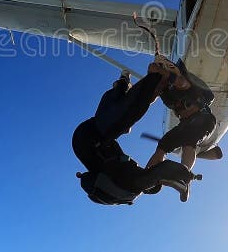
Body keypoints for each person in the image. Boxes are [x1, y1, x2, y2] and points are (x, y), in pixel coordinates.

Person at [72, 60, 195, 205]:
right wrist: (125, 79)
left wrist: (184, 177)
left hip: (90, 139)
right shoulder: (128, 181)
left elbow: (161, 172)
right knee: (125, 114)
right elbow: (132, 104)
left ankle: (156, 78)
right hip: (88, 139)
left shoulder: (134, 184)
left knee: (126, 114)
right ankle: (155, 80)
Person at [145, 58, 216, 201]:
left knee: (189, 142)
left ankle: (183, 178)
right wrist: (151, 82)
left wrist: (160, 71)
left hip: (202, 118)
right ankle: (146, 177)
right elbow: (150, 97)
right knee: (163, 145)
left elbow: (182, 83)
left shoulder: (179, 80)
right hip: (185, 123)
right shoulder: (165, 90)